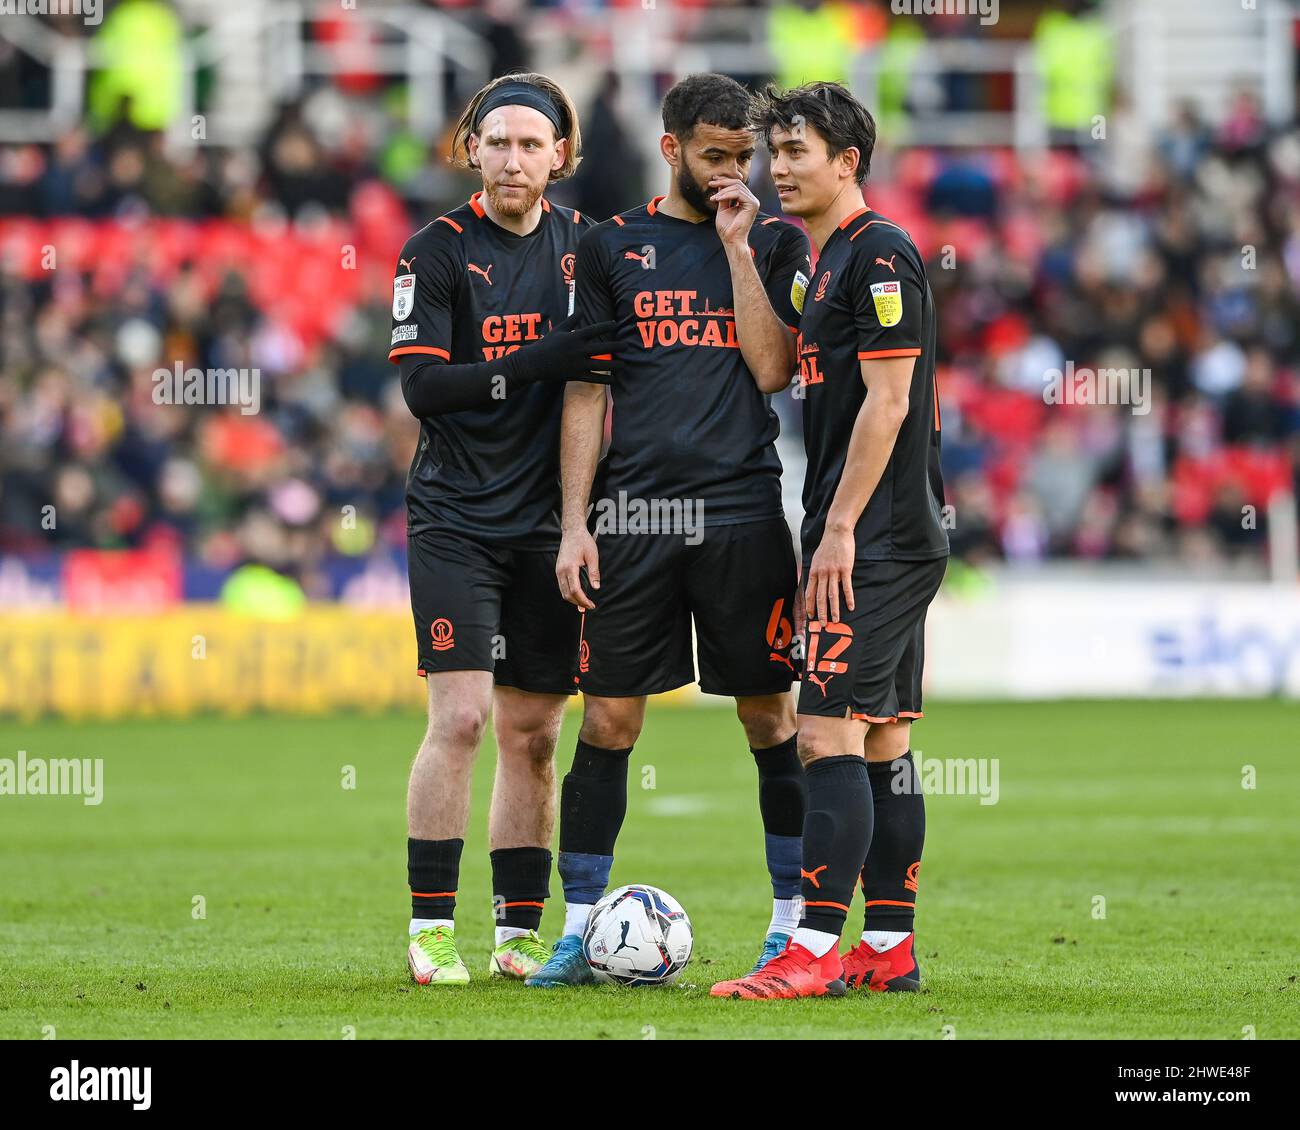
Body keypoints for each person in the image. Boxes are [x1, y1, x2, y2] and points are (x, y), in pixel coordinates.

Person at [527, 73, 812, 988]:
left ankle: (790, 924)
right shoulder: (610, 245)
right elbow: (585, 387)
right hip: (635, 515)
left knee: (771, 719)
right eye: (715, 155)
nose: (733, 172)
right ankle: (578, 930)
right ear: (672, 148)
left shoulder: (772, 239)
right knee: (608, 720)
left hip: (741, 510)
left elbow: (774, 371)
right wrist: (574, 522)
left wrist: (736, 250)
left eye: (745, 157)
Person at [712, 80, 948, 1000]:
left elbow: (890, 401)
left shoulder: (881, 255)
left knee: (823, 735)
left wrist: (841, 527)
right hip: (871, 530)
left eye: (795, 152)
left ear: (848, 161)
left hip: (877, 533)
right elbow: (774, 366)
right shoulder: (827, 261)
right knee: (881, 737)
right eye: (774, 153)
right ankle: (886, 948)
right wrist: (738, 250)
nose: (777, 169)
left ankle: (810, 951)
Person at [389, 72, 619, 985]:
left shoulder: (589, 249)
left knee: (534, 733)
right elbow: (422, 388)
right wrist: (533, 363)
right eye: (499, 142)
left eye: (533, 144)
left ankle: (518, 932)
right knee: (463, 717)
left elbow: (594, 390)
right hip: (454, 515)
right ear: (470, 148)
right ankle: (430, 929)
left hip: (546, 524)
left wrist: (578, 522)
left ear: (561, 155)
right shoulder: (434, 251)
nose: (514, 159)